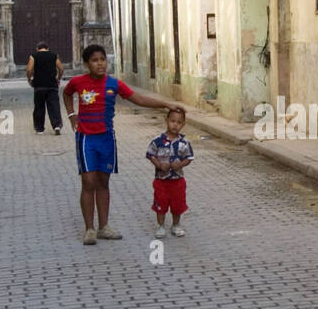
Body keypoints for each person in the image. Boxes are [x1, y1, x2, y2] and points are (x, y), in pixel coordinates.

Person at [61, 45, 179, 245]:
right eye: (95, 60)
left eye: (103, 59)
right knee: (88, 182)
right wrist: (72, 115)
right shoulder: (78, 82)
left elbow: (139, 99)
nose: (100, 63)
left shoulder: (113, 84)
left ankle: (104, 227)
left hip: (107, 139)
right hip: (86, 139)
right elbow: (66, 93)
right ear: (87, 64)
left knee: (103, 182)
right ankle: (89, 229)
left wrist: (165, 105)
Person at [147, 106, 194, 237]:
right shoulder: (158, 141)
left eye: (179, 123)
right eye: (173, 121)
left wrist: (180, 164)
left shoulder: (184, 143)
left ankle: (176, 225)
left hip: (177, 180)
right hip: (161, 180)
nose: (175, 125)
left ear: (183, 125)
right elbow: (150, 154)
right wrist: (158, 165)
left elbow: (189, 158)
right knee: (160, 203)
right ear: (166, 120)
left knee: (177, 203)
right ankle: (161, 226)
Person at [26, 41, 64, 135]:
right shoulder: (53, 55)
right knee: (54, 106)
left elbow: (29, 69)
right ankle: (57, 125)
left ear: (37, 48)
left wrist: (29, 79)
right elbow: (61, 69)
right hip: (52, 84)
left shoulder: (34, 56)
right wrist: (58, 78)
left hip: (39, 85)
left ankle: (39, 129)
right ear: (48, 48)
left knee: (39, 107)